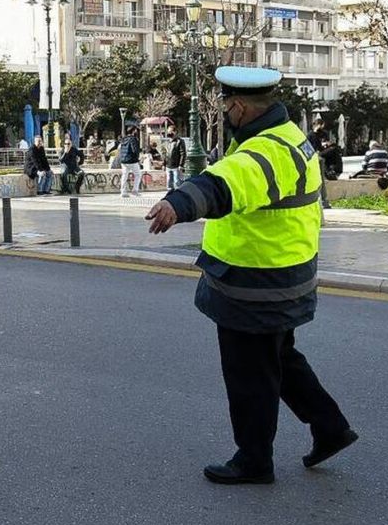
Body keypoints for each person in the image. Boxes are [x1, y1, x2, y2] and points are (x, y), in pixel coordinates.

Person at [144, 65, 356, 486]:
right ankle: (331, 428)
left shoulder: (258, 154)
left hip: (254, 285)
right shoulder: (293, 139)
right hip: (288, 274)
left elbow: (222, 185)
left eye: (225, 106)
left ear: (238, 106)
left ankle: (254, 459)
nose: (224, 112)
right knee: (279, 360)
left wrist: (177, 204)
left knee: (249, 377)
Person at [118, 126, 142, 198]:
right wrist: (138, 158)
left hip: (123, 160)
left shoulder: (123, 139)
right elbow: (135, 150)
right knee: (138, 174)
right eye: (135, 130)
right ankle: (135, 190)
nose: (136, 131)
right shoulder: (133, 139)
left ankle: (123, 191)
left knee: (124, 175)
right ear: (133, 131)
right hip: (132, 160)